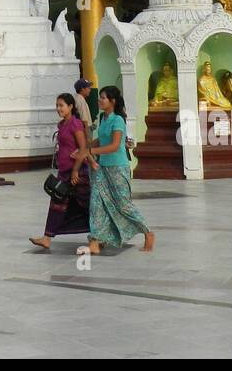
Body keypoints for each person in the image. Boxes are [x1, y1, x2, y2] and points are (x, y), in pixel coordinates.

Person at [85, 86, 154, 255]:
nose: (100, 100)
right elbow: (101, 140)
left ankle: (148, 233)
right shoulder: (103, 118)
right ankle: (95, 241)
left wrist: (91, 152)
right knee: (96, 203)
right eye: (100, 97)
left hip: (118, 167)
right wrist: (85, 147)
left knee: (123, 205)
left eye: (103, 98)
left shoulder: (118, 120)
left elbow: (115, 146)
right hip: (102, 167)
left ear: (112, 101)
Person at [30, 93, 91, 250]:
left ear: (70, 106)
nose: (58, 108)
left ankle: (101, 234)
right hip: (64, 171)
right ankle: (47, 238)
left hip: (77, 171)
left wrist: (76, 170)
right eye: (57, 105)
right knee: (57, 203)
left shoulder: (75, 124)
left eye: (61, 105)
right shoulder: (62, 124)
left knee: (88, 204)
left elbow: (83, 148)